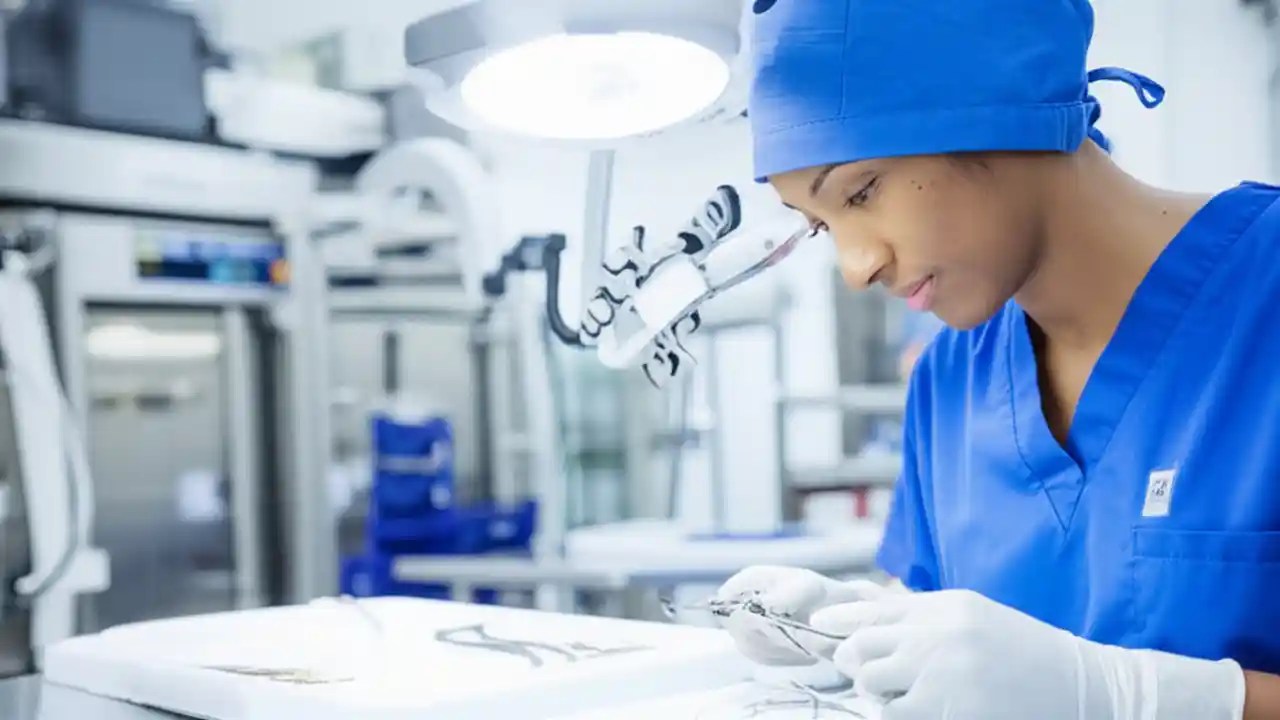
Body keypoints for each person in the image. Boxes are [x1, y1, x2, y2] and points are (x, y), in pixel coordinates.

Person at [696, 1, 1280, 719]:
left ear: (997, 104)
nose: (855, 266)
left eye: (863, 190)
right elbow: (973, 647)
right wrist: (856, 631)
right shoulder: (951, 382)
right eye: (821, 225)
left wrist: (1171, 700)